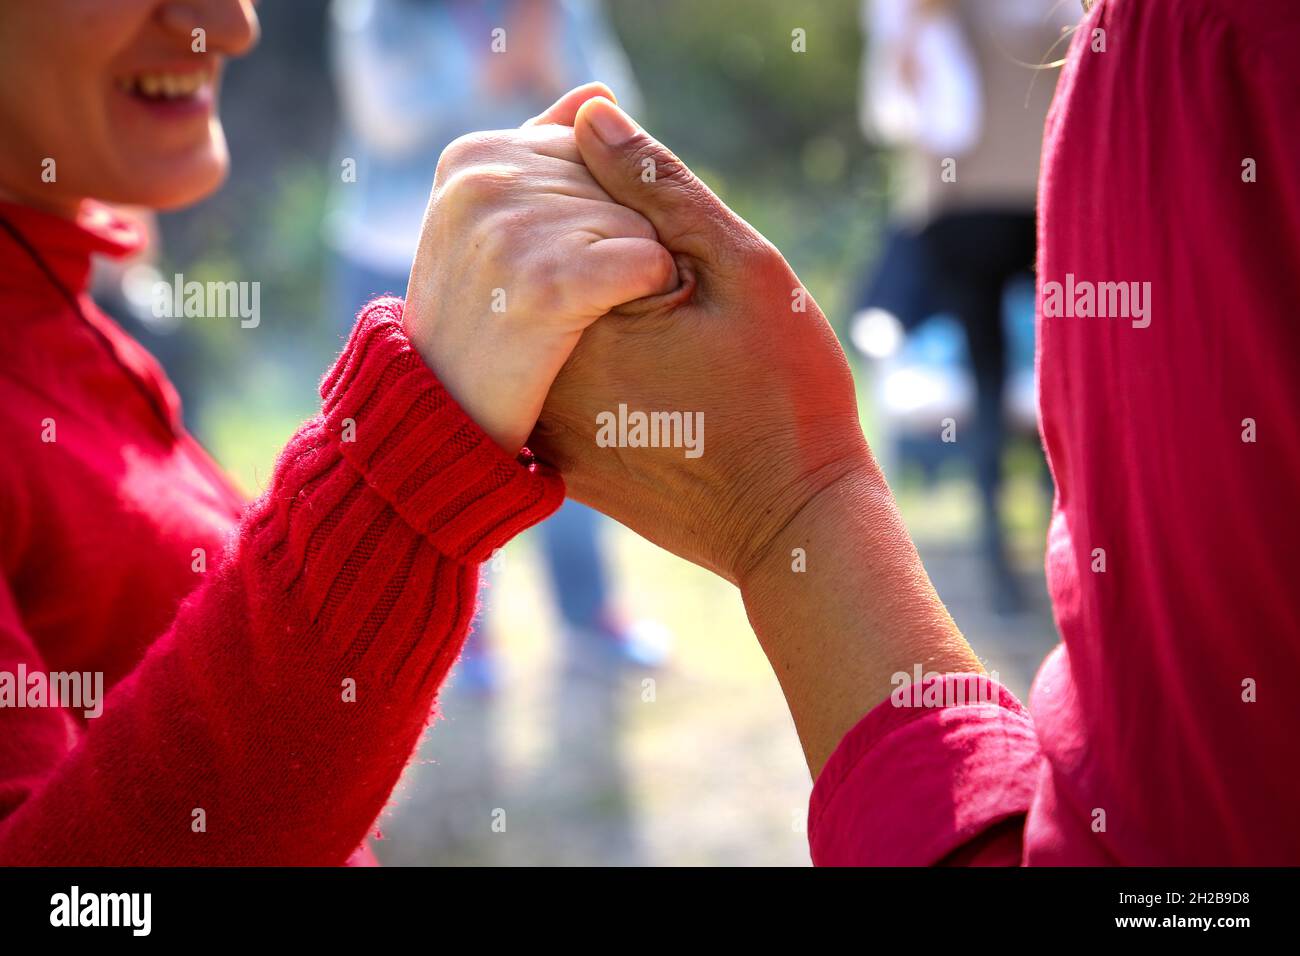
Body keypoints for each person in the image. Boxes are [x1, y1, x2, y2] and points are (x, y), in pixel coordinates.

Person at [530, 0, 1300, 864]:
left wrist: (791, 510)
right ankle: (1021, 543)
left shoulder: (1204, 46)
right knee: (1007, 389)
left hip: (976, 205)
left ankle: (1017, 545)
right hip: (989, 208)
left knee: (994, 382)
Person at [0, 0, 670, 864]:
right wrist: (407, 468)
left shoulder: (56, 302)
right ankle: (479, 650)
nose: (233, 25)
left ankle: (587, 616)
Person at [325, 0, 668, 686]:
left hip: (535, 244)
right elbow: (387, 118)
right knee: (438, 444)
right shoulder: (376, 11)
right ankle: (462, 635)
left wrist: (549, 67)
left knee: (565, 427)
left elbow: (612, 107)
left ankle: (589, 614)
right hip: (403, 251)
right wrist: (502, 69)